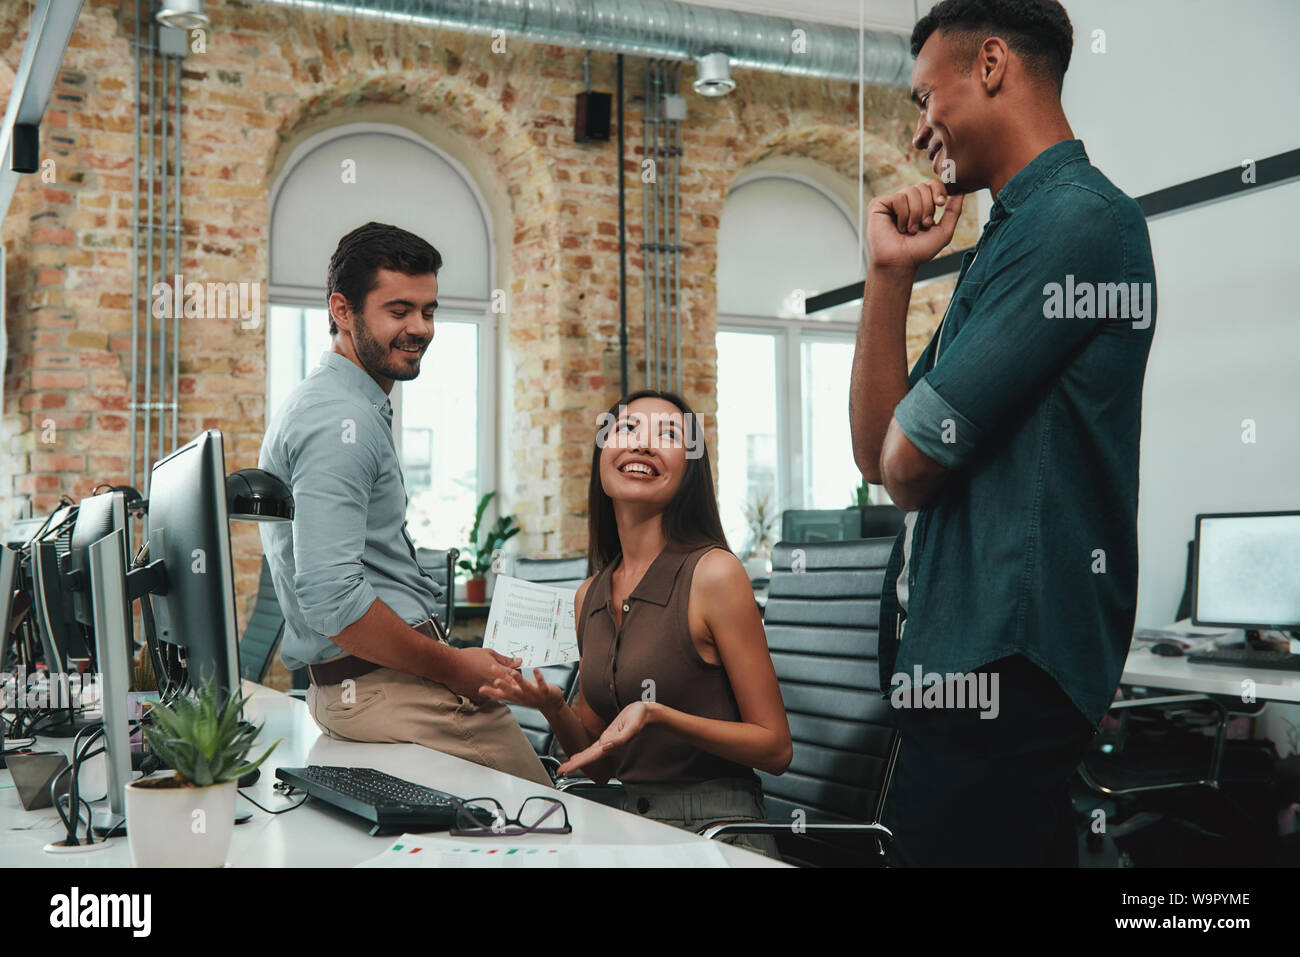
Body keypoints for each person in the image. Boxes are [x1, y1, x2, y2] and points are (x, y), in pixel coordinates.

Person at [849, 0, 1156, 866]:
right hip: (959, 667)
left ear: (990, 64)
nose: (920, 132)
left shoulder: (1077, 222)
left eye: (922, 98)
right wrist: (886, 275)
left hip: (1005, 669)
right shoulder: (1011, 236)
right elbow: (878, 455)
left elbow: (907, 466)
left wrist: (905, 450)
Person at [259, 221, 551, 787]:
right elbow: (334, 599)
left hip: (369, 688)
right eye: (399, 311)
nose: (420, 329)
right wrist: (454, 667)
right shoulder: (338, 420)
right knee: (552, 821)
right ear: (342, 311)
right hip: (389, 689)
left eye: (429, 311)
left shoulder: (342, 405)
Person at [477, 391, 792, 858]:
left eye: (667, 436)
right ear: (603, 457)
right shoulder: (591, 594)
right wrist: (551, 707)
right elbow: (601, 764)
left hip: (717, 830)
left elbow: (775, 747)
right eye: (626, 430)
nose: (642, 445)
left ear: (689, 472)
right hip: (627, 821)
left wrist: (657, 714)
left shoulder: (714, 573)